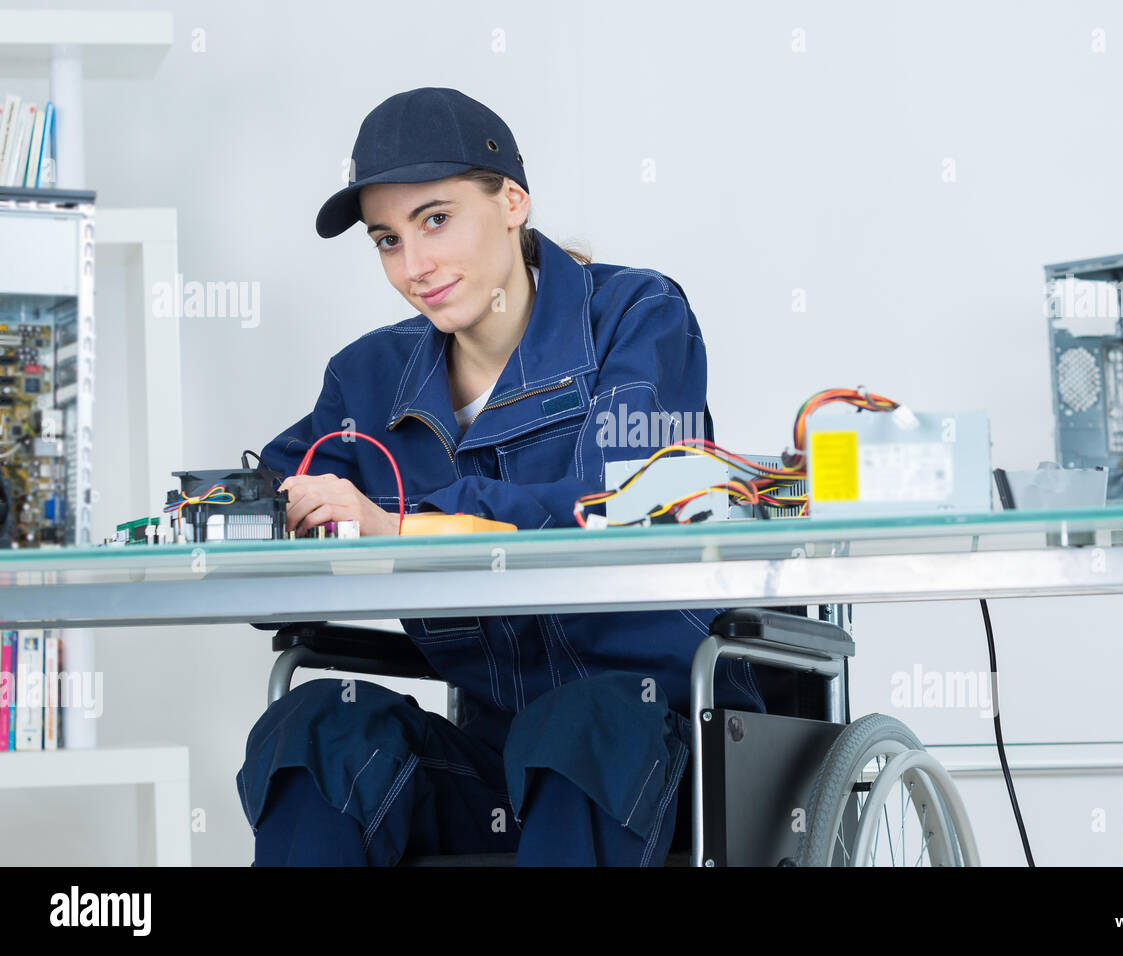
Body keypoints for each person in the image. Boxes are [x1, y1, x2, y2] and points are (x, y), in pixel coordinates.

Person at [236, 87, 765, 865]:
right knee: (317, 725)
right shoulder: (369, 378)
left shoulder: (635, 317)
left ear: (513, 200)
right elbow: (271, 498)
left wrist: (399, 526)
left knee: (582, 723)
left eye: (436, 219)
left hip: (673, 749)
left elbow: (618, 507)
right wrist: (256, 514)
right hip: (505, 766)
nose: (414, 266)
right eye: (386, 240)